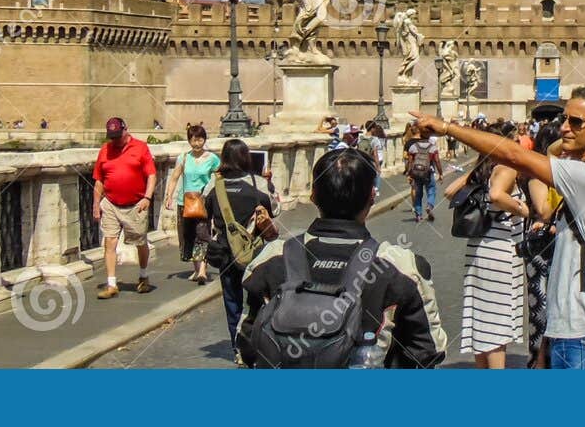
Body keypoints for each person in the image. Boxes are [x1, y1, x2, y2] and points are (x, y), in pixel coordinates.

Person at [412, 85, 585, 370]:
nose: (564, 128)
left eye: (575, 122)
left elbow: (514, 155)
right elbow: (548, 150)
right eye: (564, 119)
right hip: (571, 329)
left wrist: (448, 127)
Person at [239, 148, 446, 368]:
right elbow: (428, 350)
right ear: (372, 196)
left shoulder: (271, 258)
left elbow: (246, 344)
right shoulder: (401, 266)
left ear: (313, 196)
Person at [444, 120, 528, 368]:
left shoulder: (483, 171)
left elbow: (449, 191)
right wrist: (524, 210)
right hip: (500, 250)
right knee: (497, 325)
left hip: (477, 250)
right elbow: (496, 195)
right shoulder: (506, 168)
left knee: (482, 319)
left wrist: (478, 166)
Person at [203, 138, 278, 342]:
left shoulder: (213, 185)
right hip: (255, 252)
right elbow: (275, 209)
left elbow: (203, 214)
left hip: (225, 251)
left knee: (232, 301)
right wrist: (268, 181)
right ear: (246, 158)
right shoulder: (258, 183)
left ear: (224, 158)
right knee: (257, 299)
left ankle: (238, 346)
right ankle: (256, 341)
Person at [92, 116, 157, 298]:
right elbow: (99, 180)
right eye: (111, 137)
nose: (115, 140)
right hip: (111, 202)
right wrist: (96, 203)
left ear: (126, 130)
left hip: (136, 204)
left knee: (140, 242)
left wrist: (147, 197)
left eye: (117, 136)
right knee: (110, 241)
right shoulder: (105, 150)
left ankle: (143, 276)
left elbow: (151, 175)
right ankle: (112, 284)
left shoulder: (141, 148)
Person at [522, 111, 564, 368]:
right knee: (541, 315)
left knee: (559, 313)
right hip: (541, 251)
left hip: (562, 249)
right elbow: (545, 212)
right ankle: (537, 364)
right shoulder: (538, 176)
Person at [164, 125, 219, 283]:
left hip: (203, 202)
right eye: (194, 140)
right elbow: (174, 177)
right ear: (189, 141)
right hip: (184, 201)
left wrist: (209, 193)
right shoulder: (183, 158)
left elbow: (219, 177)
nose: (197, 143)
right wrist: (169, 196)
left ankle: (202, 271)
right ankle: (197, 269)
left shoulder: (212, 159)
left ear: (204, 139)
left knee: (202, 234)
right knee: (187, 236)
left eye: (200, 139)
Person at [403, 122, 443, 223]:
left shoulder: (413, 147)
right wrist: (441, 173)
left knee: (418, 194)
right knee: (431, 190)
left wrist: (409, 173)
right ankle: (429, 205)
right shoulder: (432, 147)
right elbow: (437, 161)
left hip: (416, 174)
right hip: (428, 173)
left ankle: (419, 215)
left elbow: (410, 162)